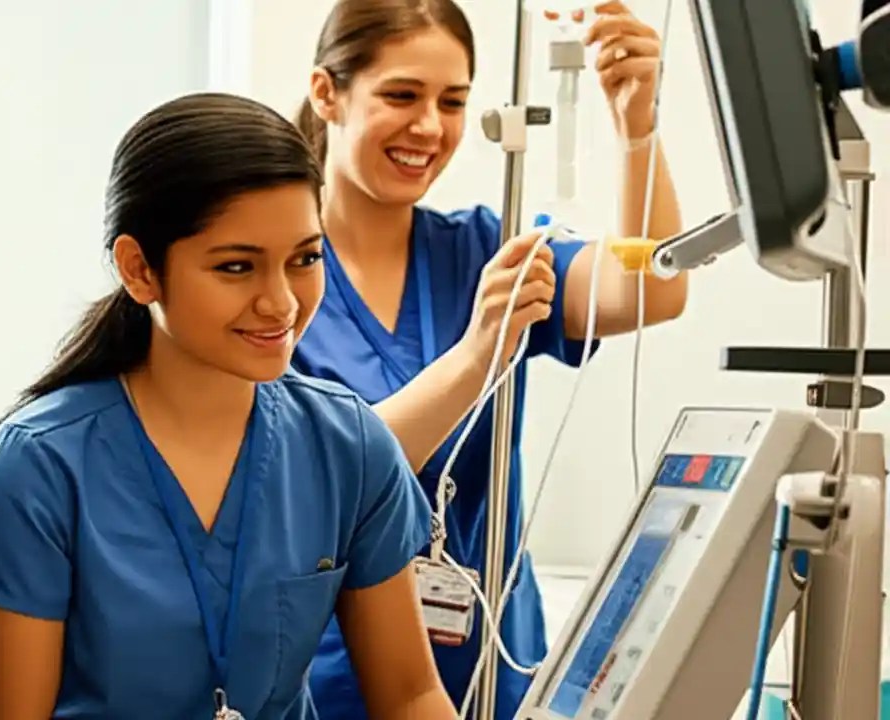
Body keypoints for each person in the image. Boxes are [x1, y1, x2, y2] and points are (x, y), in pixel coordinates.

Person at [0, 92, 458, 720]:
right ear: (140, 270)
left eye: (304, 258)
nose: (281, 303)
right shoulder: (42, 470)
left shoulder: (347, 445)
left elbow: (410, 695)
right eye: (237, 267)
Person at [291, 1, 688, 718]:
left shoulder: (483, 252)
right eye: (402, 95)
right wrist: (475, 356)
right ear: (328, 94)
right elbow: (325, 481)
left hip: (491, 667)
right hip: (333, 678)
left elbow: (646, 292)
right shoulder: (276, 279)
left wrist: (638, 125)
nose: (429, 127)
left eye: (453, 102)